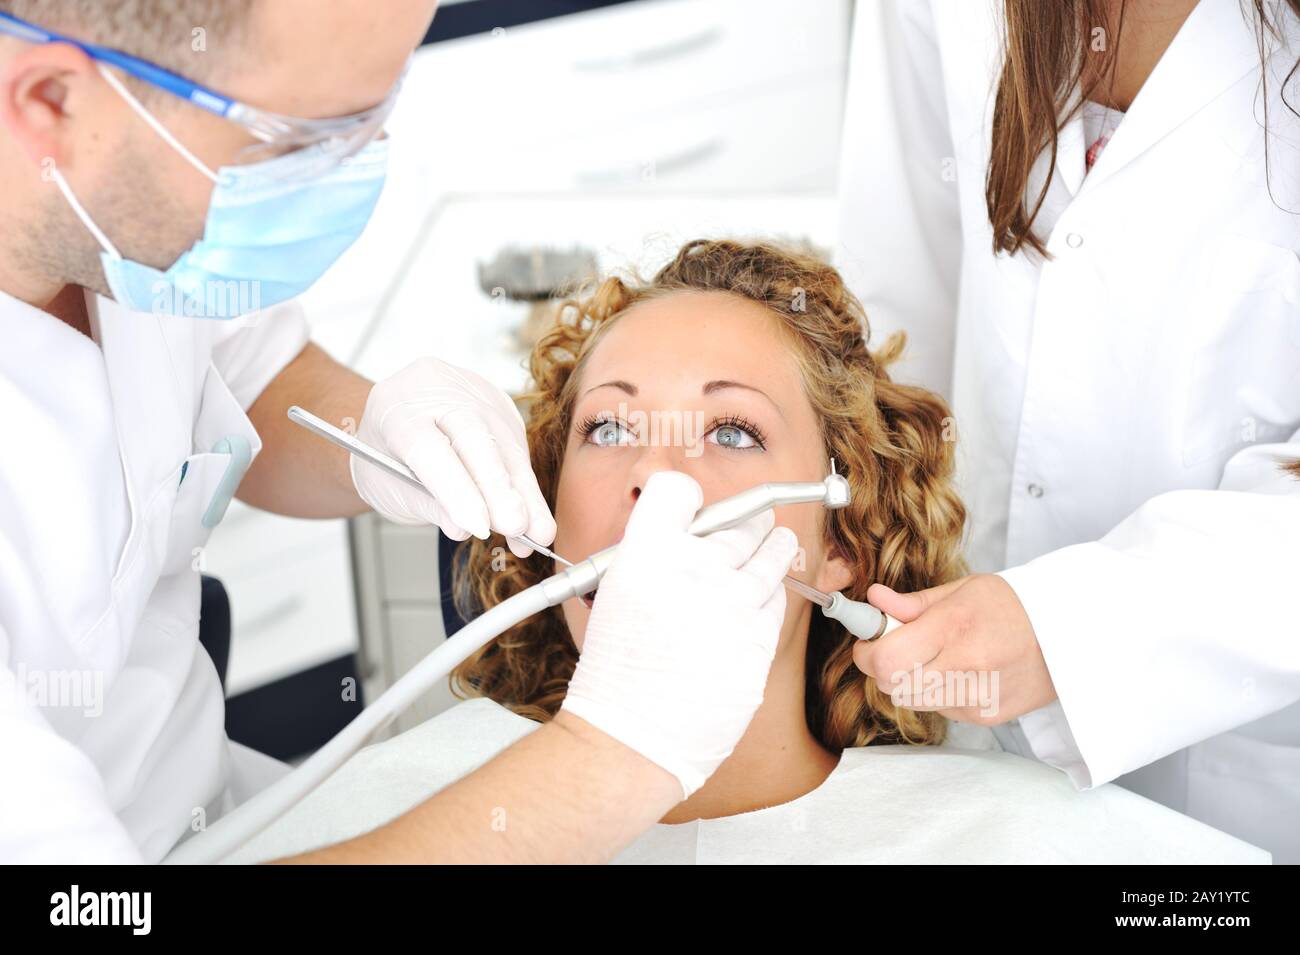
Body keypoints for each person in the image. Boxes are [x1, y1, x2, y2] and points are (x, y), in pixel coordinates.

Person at [0, 0, 795, 863]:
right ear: (50, 100)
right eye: (300, 141)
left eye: (371, 117)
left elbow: (242, 374)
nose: (346, 175)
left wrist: (375, 432)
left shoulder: (119, 218)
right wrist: (612, 757)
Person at [227, 240, 1265, 864]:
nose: (658, 478)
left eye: (731, 431)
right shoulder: (371, 812)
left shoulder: (1043, 845)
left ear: (841, 543)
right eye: (608, 426)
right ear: (545, 522)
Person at [836, 0, 1300, 860]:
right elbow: (896, 309)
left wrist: (1069, 631)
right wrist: (857, 522)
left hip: (1248, 767)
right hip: (954, 722)